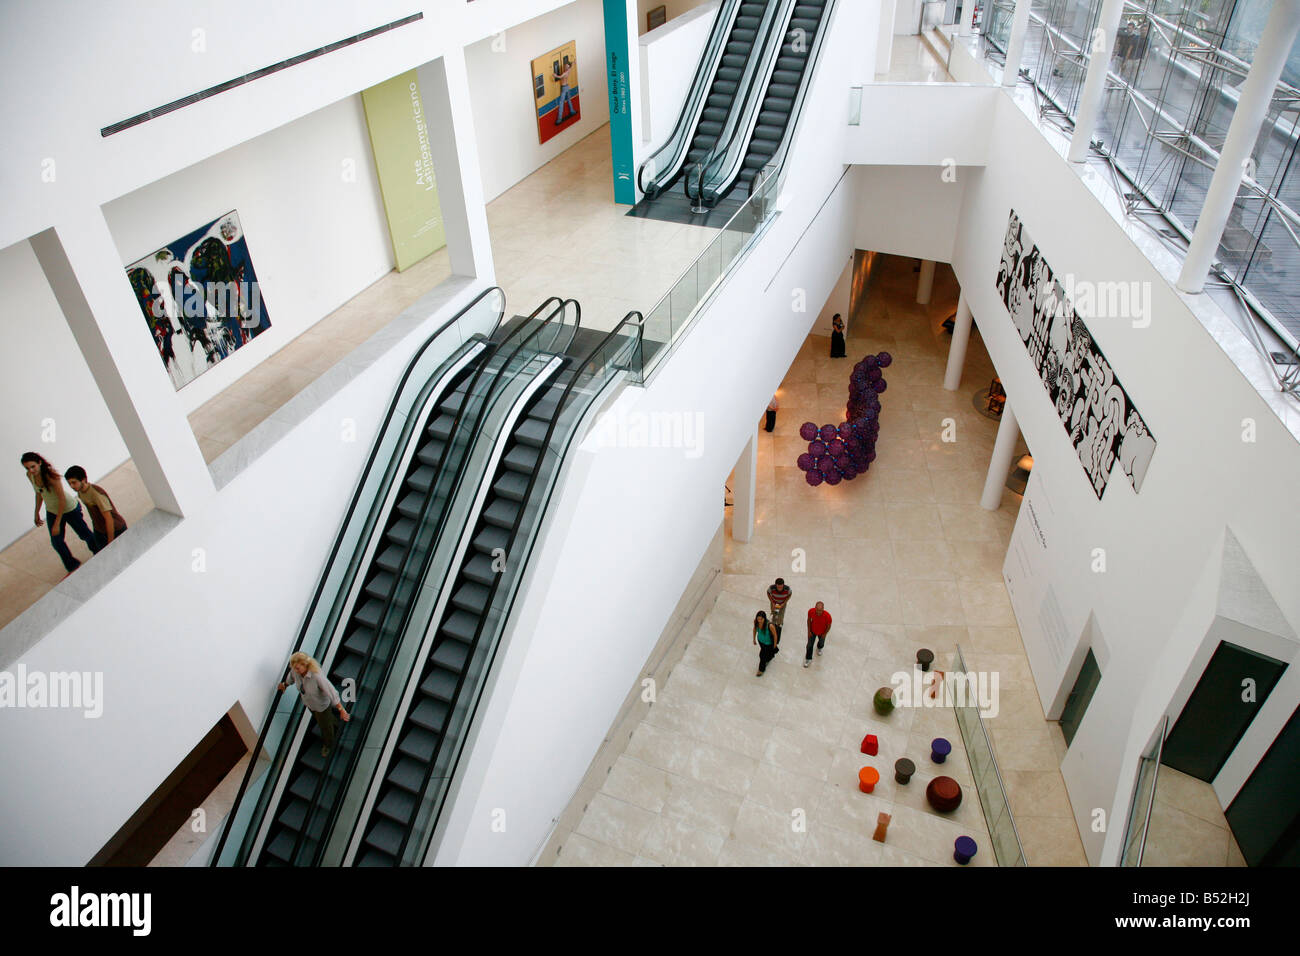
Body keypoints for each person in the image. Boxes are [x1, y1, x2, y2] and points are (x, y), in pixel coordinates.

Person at [21, 452, 100, 574]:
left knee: (85, 534)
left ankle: (99, 551)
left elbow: (62, 500)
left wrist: (57, 523)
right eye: (27, 468)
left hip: (68, 509)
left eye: (33, 466)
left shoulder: (52, 477)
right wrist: (36, 512)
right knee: (57, 542)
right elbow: (38, 493)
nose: (31, 470)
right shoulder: (29, 476)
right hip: (52, 510)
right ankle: (72, 566)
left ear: (39, 463)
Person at [279, 652, 350, 757]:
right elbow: (291, 677)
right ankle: (336, 724)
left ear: (305, 665)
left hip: (321, 706)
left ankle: (329, 744)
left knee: (325, 727)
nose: (295, 670)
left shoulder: (317, 676)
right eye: (294, 668)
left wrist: (341, 710)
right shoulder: (295, 671)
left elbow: (331, 692)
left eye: (298, 668)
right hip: (310, 704)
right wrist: (285, 684)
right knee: (323, 719)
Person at [65, 466, 127, 550]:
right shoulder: (80, 492)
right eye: (69, 484)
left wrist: (111, 543)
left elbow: (109, 519)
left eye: (74, 482)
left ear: (83, 480)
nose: (71, 486)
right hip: (99, 530)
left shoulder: (96, 495)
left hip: (115, 529)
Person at [805, 601, 832, 667]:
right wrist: (809, 631)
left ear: (823, 609)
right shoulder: (811, 611)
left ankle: (819, 648)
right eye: (817, 610)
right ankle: (808, 659)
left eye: (820, 610)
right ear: (815, 608)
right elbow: (808, 620)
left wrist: (825, 634)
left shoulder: (828, 616)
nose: (818, 612)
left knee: (821, 643)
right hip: (812, 631)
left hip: (822, 633)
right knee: (809, 645)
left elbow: (829, 626)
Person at [753, 610, 779, 677]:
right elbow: (755, 629)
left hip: (768, 643)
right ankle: (769, 656)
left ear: (764, 618)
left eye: (761, 619)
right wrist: (754, 639)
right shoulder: (756, 622)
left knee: (762, 655)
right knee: (765, 654)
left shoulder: (770, 626)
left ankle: (761, 669)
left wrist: (775, 645)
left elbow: (775, 635)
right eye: (758, 619)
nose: (759, 621)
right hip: (760, 641)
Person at [554, 54, 577, 126]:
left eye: (566, 66)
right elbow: (572, 65)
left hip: (564, 88)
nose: (565, 67)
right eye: (565, 66)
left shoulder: (565, 73)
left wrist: (555, 76)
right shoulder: (569, 70)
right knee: (569, 100)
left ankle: (559, 119)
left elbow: (560, 77)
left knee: (561, 102)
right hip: (567, 87)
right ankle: (572, 111)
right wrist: (574, 62)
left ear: (568, 67)